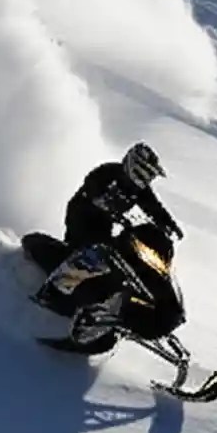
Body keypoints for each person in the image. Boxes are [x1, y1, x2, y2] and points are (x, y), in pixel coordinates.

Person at [28, 142, 186, 352]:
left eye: (150, 175)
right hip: (82, 219)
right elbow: (93, 187)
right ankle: (52, 291)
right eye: (146, 173)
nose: (148, 179)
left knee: (122, 258)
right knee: (94, 253)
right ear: (134, 165)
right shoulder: (108, 173)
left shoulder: (140, 189)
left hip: (105, 226)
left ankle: (114, 309)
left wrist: (169, 225)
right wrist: (105, 202)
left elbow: (155, 208)